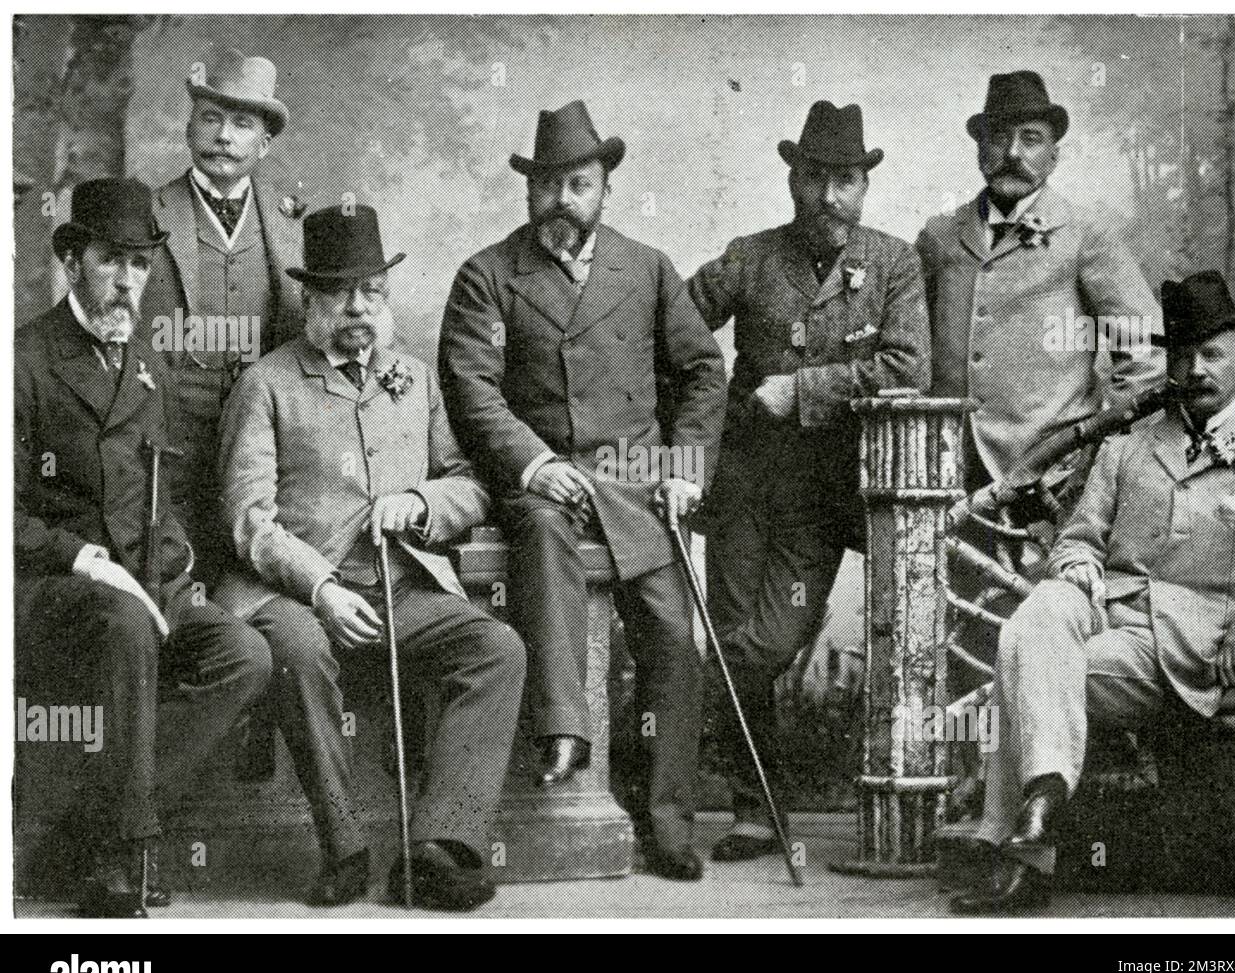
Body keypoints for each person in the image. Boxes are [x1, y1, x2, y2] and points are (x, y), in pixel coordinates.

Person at [438, 100, 727, 880]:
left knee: (675, 637)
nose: (564, 201)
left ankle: (667, 820)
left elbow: (701, 370)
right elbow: (472, 389)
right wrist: (532, 464)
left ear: (605, 188)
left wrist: (683, 469)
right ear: (528, 192)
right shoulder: (488, 276)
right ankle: (563, 732)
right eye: (549, 186)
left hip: (637, 480)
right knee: (538, 530)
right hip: (542, 477)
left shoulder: (649, 268)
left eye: (580, 184)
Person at [217, 205, 526, 911]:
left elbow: (470, 485)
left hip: (399, 590)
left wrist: (420, 502)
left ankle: (440, 848)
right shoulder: (266, 384)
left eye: (373, 292)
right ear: (309, 299)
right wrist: (321, 587)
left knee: (497, 648)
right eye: (342, 292)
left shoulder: (414, 380)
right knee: (295, 650)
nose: (360, 308)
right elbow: (247, 520)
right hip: (296, 595)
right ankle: (346, 848)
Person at [952, 271, 1235, 913]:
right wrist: (1075, 568)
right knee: (1041, 614)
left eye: (1212, 355)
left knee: (1018, 669)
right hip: (1109, 620)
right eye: (1182, 355)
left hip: (1195, 647)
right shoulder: (1126, 450)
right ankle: (1041, 811)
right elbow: (1079, 540)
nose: (1195, 370)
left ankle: (1020, 851)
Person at [16, 178, 273, 917]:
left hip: (137, 583)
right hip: (42, 583)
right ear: (72, 263)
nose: (128, 280)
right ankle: (126, 853)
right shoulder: (24, 360)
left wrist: (177, 568)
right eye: (110, 261)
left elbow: (155, 498)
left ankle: (91, 828)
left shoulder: (144, 365)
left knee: (242, 655)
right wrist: (88, 561)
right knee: (126, 626)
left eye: (139, 264)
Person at [687, 100, 930, 861]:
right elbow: (677, 332)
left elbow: (907, 368)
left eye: (847, 180)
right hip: (739, 486)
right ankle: (756, 811)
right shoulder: (750, 257)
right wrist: (694, 424)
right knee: (730, 637)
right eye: (816, 178)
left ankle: (676, 736)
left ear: (865, 184)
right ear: (793, 178)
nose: (831, 196)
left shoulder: (893, 263)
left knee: (765, 643)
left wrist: (802, 390)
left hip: (821, 499)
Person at [917, 71, 1165, 499]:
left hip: (1053, 476)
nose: (1013, 153)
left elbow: (1146, 353)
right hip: (946, 471)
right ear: (980, 150)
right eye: (998, 137)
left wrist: (1107, 457)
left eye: (1030, 139)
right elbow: (909, 346)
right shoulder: (939, 236)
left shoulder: (1086, 233)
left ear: (1054, 155)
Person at [140, 45, 304, 585]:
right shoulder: (148, 213)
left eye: (241, 123)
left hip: (261, 459)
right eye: (210, 118)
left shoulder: (289, 224)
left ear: (265, 141)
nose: (224, 137)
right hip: (168, 452)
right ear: (189, 129)